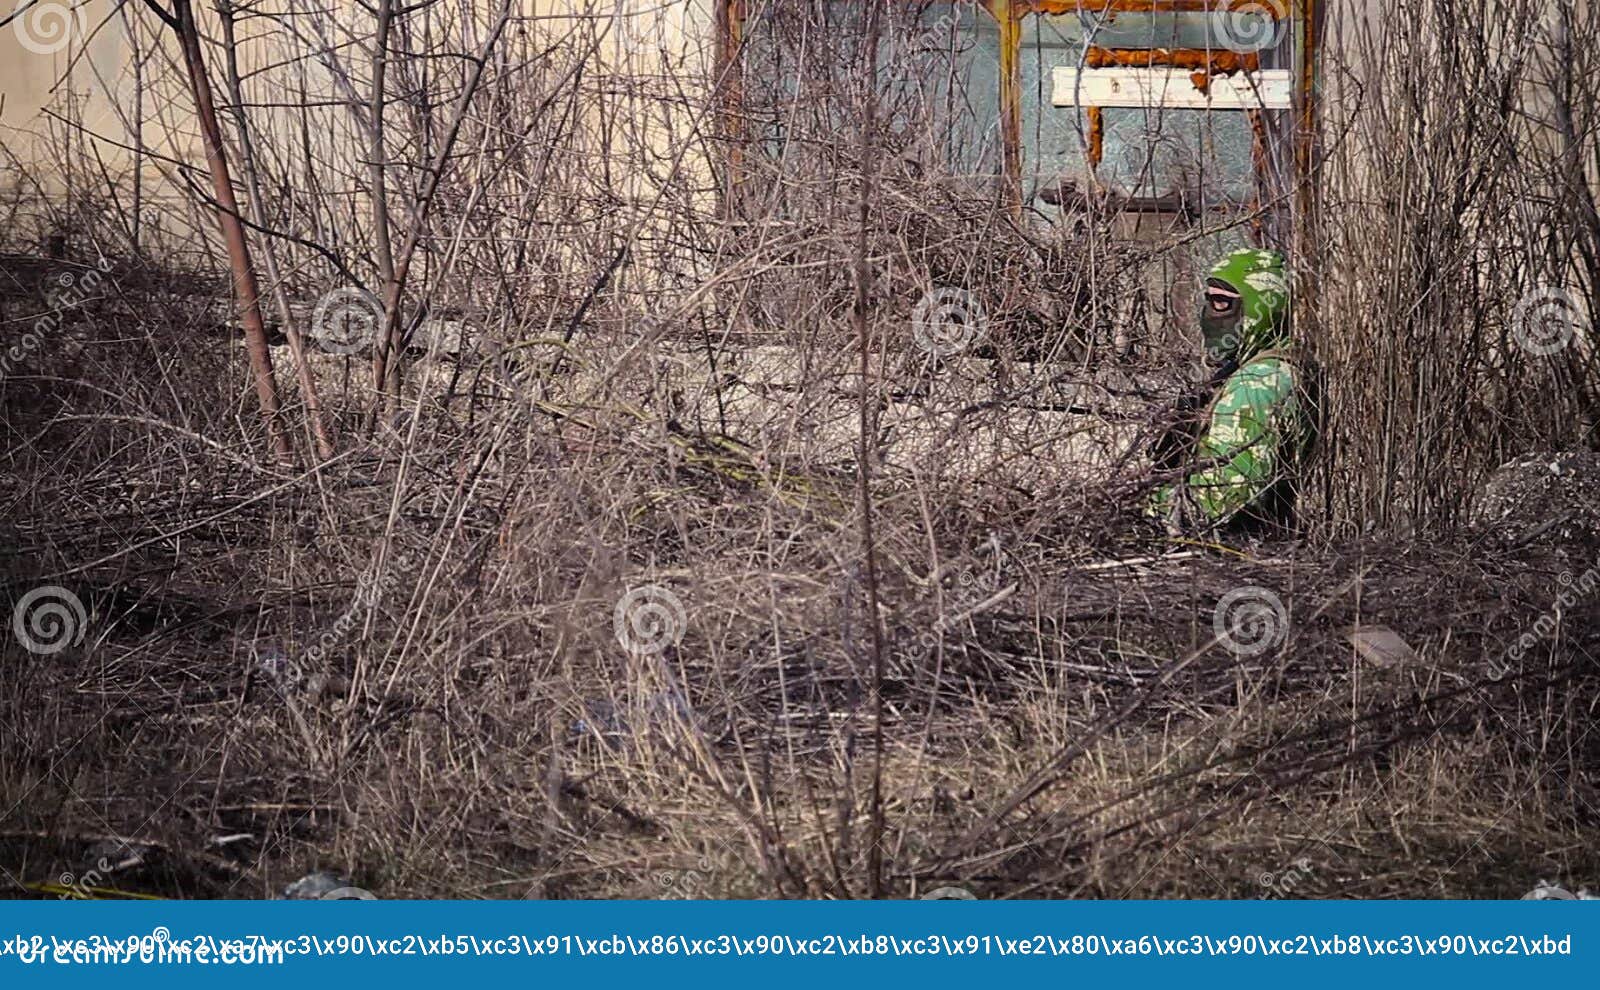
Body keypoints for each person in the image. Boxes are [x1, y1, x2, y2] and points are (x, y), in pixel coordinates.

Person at [1151, 248, 1314, 533]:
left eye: (1222, 303)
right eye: (1209, 301)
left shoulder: (1258, 384)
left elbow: (1220, 499)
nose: (1209, 316)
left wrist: (1142, 504)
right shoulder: (1266, 368)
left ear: (1259, 306)